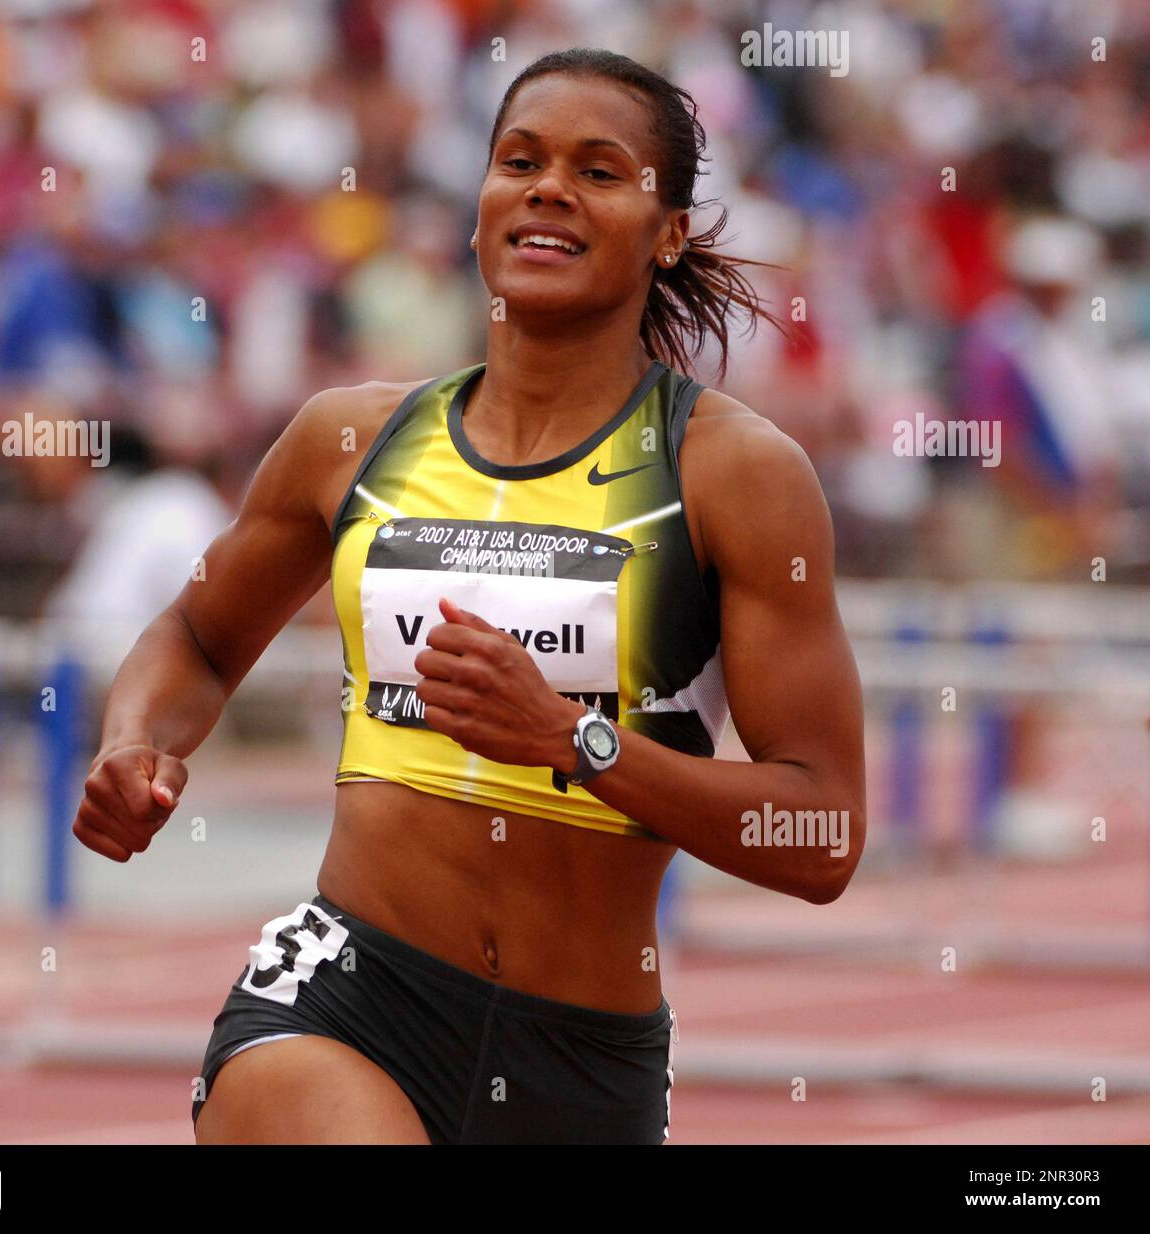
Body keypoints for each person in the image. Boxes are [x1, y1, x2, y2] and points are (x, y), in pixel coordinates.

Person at [72, 48, 866, 1146]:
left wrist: (570, 739)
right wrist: (134, 742)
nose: (547, 188)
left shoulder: (732, 473)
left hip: (582, 1053)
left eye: (598, 171)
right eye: (519, 161)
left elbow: (819, 834)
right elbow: (196, 640)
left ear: (669, 229)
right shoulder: (349, 438)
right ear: (481, 202)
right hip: (347, 996)